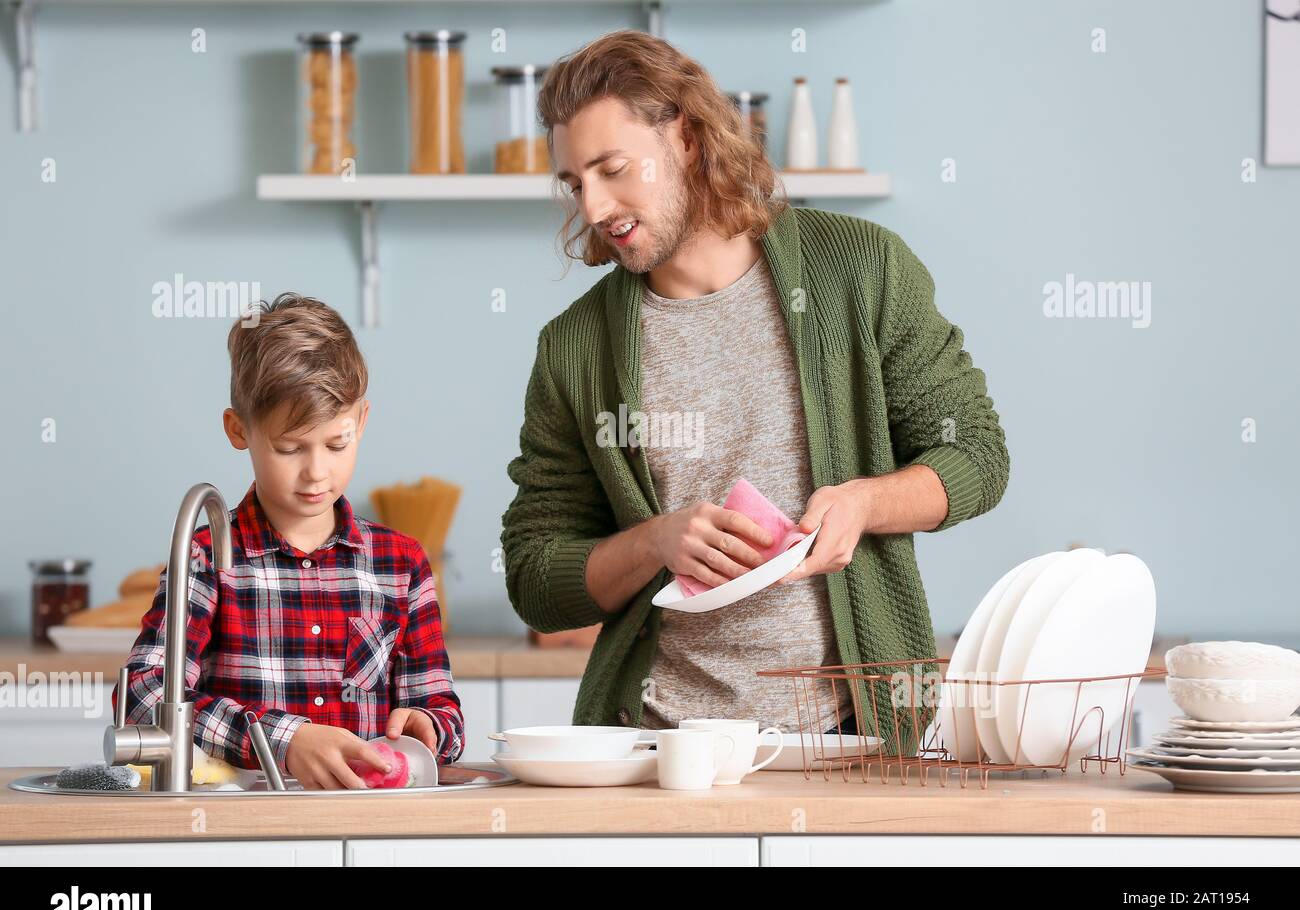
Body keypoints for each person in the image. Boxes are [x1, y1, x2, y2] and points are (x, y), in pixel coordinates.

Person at [501, 31, 1010, 752]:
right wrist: (653, 541)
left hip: (852, 741)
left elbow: (979, 457)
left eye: (612, 169)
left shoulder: (861, 271)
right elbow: (534, 576)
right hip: (658, 749)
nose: (593, 206)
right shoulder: (574, 349)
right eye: (573, 183)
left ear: (683, 135)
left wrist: (864, 504)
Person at [115, 294, 464, 788]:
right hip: (244, 829)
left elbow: (441, 710)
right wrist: (285, 739)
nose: (317, 471)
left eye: (337, 443)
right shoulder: (208, 557)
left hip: (370, 828)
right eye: (289, 447)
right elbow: (143, 698)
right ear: (239, 430)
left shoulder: (400, 563)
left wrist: (429, 728)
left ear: (361, 421)